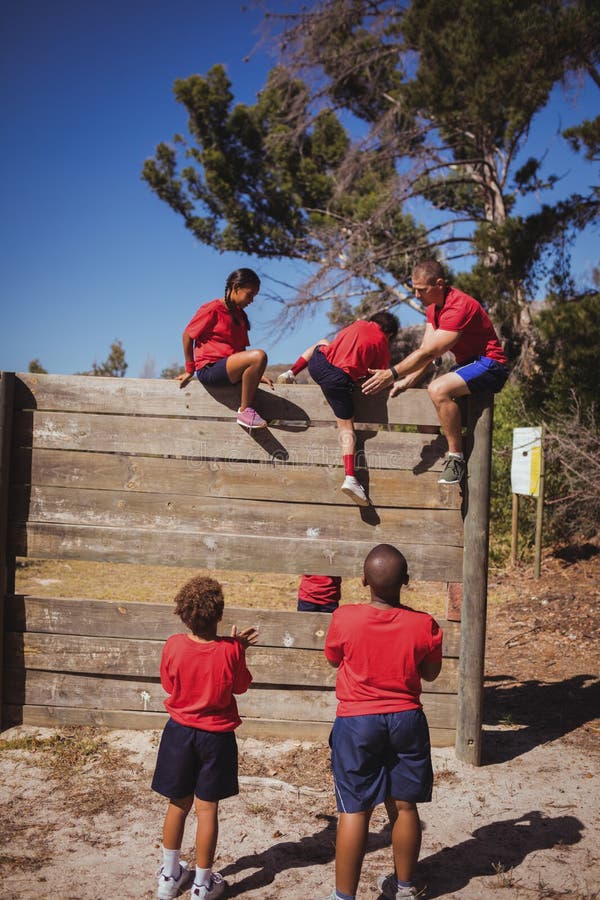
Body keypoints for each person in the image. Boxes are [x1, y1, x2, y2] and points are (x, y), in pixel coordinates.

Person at [323, 544, 443, 900]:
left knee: (354, 810)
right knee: (405, 805)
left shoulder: (345, 618)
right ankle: (404, 886)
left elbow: (333, 659)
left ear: (363, 581)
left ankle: (343, 896)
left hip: (357, 722)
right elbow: (431, 673)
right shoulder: (424, 624)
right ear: (406, 581)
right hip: (407, 719)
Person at [151, 575, 259, 900]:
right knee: (207, 809)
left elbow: (169, 686)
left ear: (183, 614)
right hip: (217, 738)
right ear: (220, 615)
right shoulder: (230, 650)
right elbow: (240, 686)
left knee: (177, 805)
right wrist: (239, 649)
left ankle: (170, 876)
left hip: (179, 734)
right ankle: (202, 883)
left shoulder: (173, 645)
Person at [362, 260, 509, 484]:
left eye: (421, 289)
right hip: (468, 364)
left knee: (437, 389)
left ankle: (456, 459)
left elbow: (431, 351)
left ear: (439, 284)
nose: (416, 294)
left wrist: (391, 373)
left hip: (491, 364)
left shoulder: (459, 306)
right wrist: (407, 381)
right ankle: (444, 450)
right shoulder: (433, 310)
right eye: (413, 289)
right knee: (427, 399)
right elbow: (425, 351)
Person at [279, 312, 399, 506]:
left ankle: (291, 372)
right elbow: (375, 377)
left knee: (322, 341)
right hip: (339, 380)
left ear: (373, 320)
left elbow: (340, 346)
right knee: (347, 429)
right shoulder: (383, 345)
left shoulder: (358, 323)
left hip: (319, 365)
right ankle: (350, 477)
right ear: (390, 334)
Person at [177, 267, 274, 429]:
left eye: (254, 297)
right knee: (259, 356)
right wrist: (189, 369)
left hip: (228, 369)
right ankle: (244, 412)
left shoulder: (240, 316)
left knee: (257, 359)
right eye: (249, 295)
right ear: (235, 288)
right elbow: (187, 335)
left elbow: (240, 351)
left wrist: (255, 375)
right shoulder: (213, 308)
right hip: (210, 369)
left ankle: (250, 410)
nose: (251, 301)